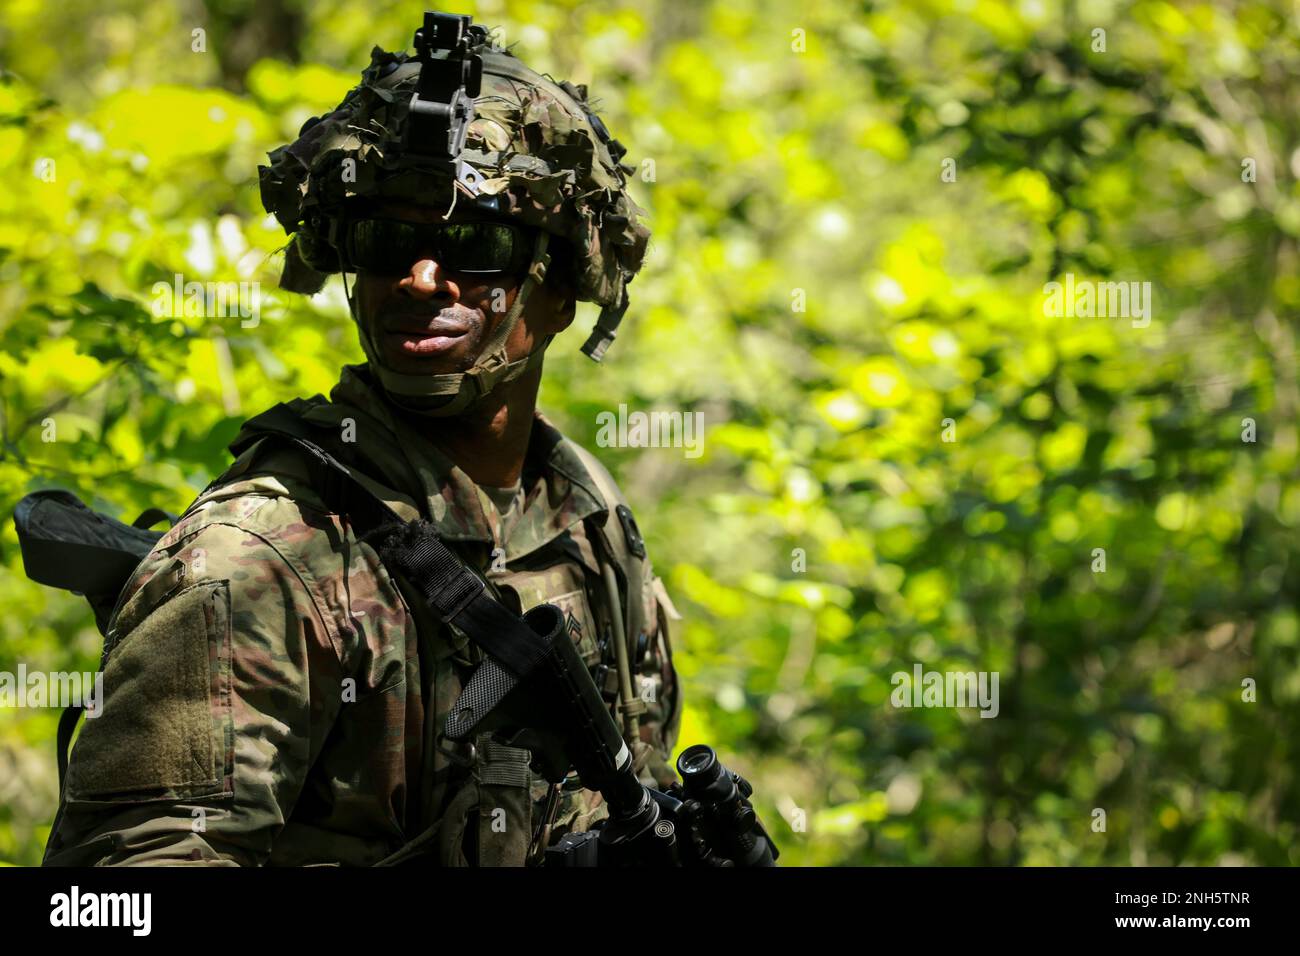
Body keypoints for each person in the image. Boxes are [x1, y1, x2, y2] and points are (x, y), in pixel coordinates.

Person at [43, 13, 681, 867]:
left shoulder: (584, 514)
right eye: (387, 242)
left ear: (561, 289)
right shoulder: (262, 554)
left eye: (476, 244)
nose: (421, 279)